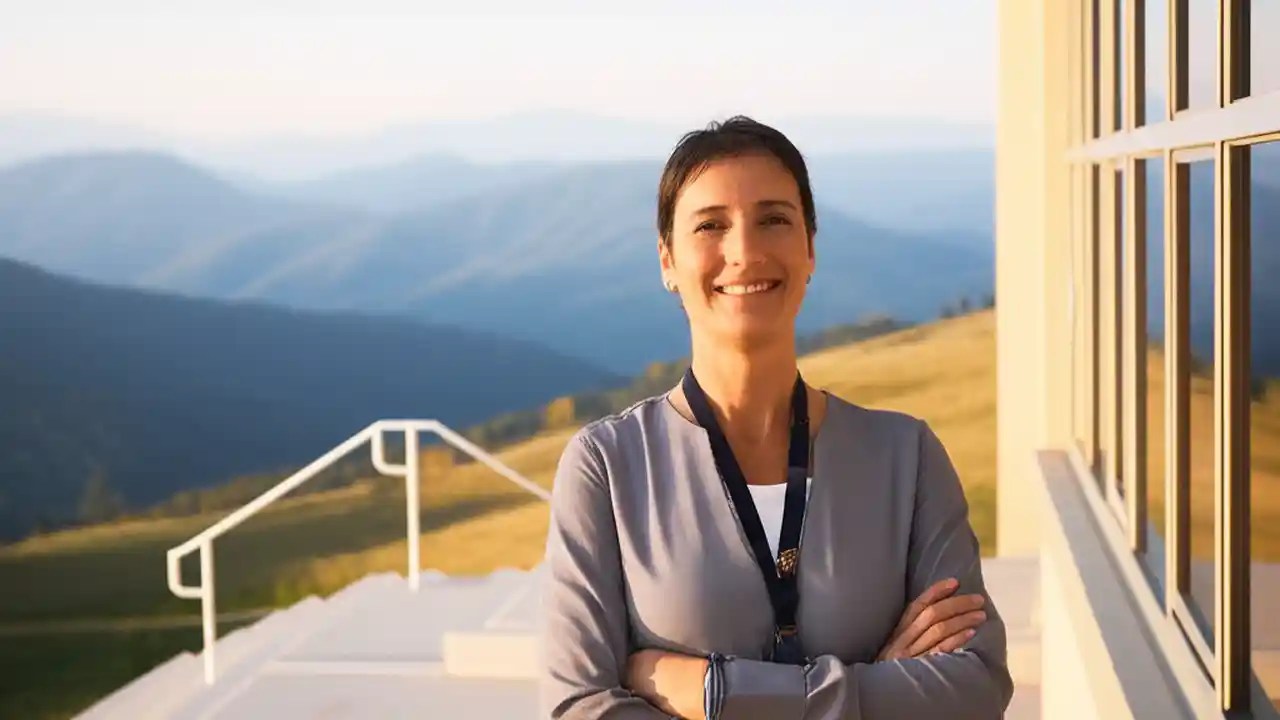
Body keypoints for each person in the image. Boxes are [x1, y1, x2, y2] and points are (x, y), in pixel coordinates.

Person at [538, 116, 1013, 719]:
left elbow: (974, 689)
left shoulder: (907, 457)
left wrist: (714, 693)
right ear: (667, 259)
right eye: (711, 225)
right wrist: (873, 688)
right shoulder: (606, 466)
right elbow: (578, 707)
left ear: (809, 248)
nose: (745, 251)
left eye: (774, 220)